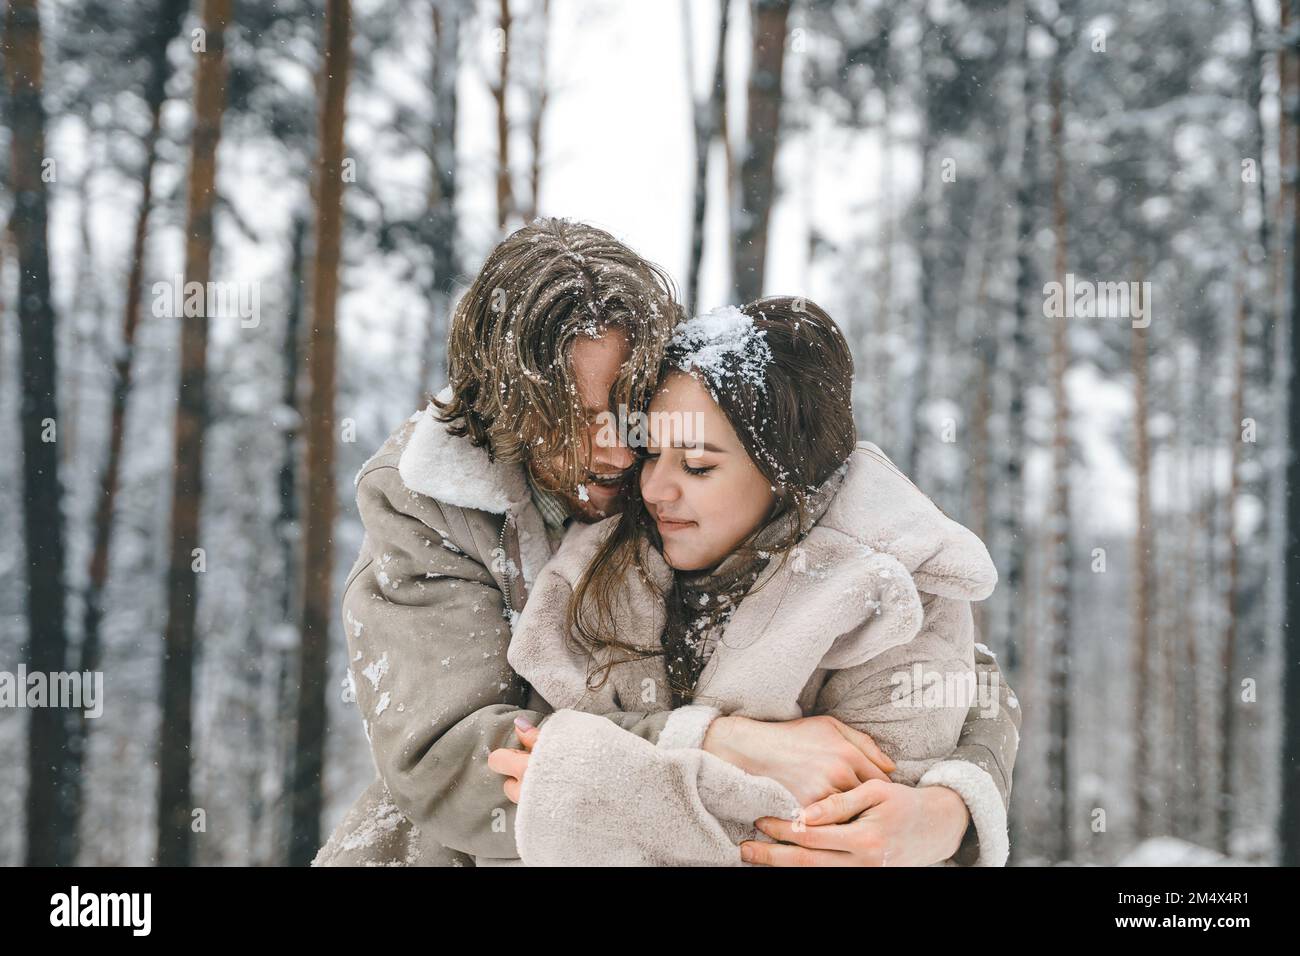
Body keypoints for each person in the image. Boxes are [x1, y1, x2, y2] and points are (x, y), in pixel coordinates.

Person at [313, 218, 1020, 867]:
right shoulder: (429, 500)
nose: (620, 451)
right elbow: (450, 762)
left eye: (631, 407)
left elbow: (943, 650)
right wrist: (711, 742)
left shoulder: (694, 449)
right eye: (574, 418)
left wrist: (949, 808)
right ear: (506, 406)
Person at [499, 299, 1010, 865]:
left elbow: (824, 841)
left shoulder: (896, 593)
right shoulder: (602, 563)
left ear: (784, 472)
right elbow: (521, 753)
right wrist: (710, 753)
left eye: (697, 467)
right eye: (651, 454)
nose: (654, 489)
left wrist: (599, 788)